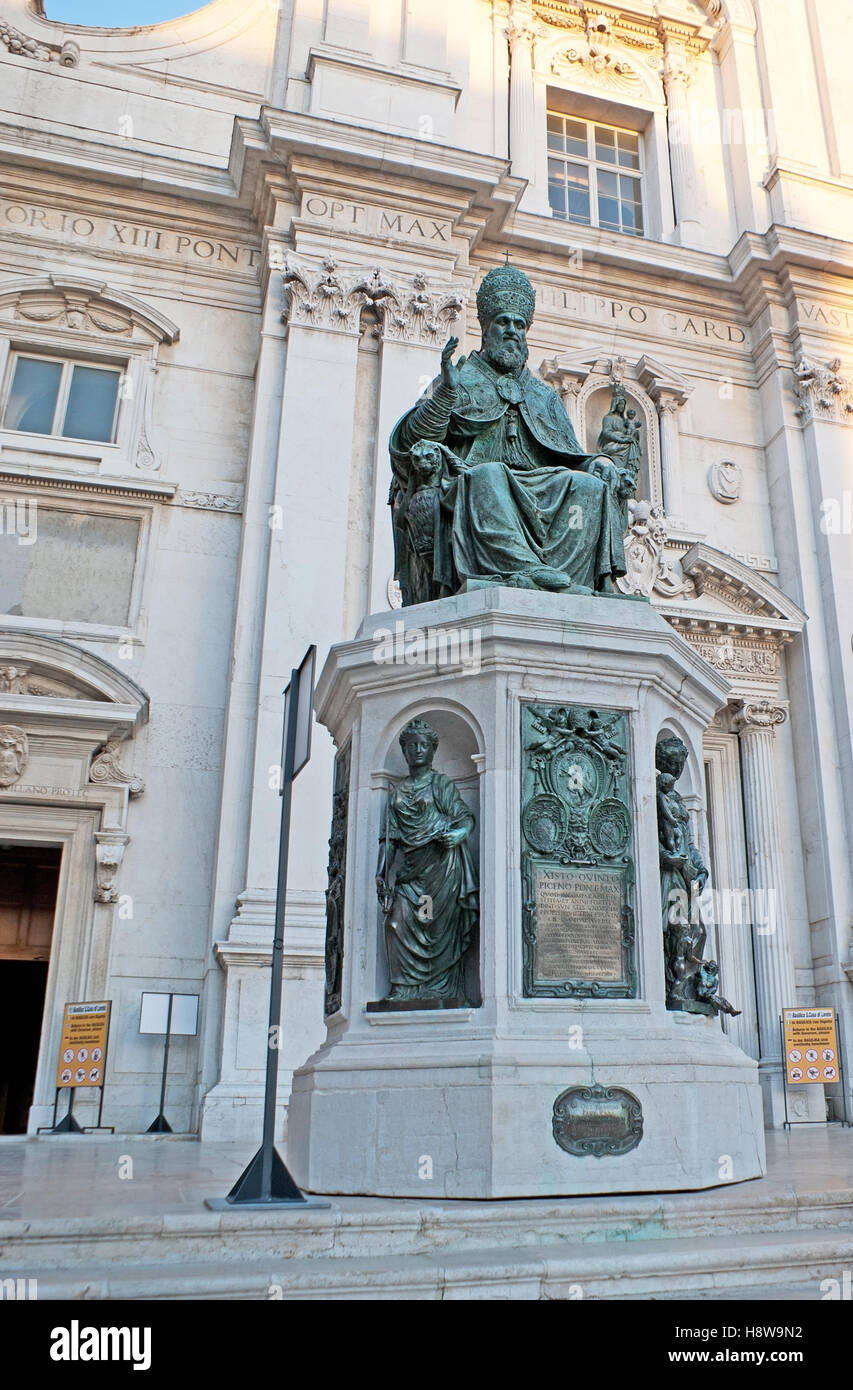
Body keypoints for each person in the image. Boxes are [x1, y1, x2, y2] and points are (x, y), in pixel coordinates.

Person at [389, 263, 631, 601]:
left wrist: (601, 463)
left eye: (519, 324)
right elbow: (410, 446)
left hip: (540, 482)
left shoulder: (543, 394)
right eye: (503, 322)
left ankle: (572, 582)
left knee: (588, 486)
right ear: (486, 329)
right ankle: (525, 571)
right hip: (473, 479)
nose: (512, 331)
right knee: (490, 477)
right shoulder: (459, 378)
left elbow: (572, 455)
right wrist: (445, 394)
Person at [375, 719, 478, 1003]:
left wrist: (459, 834)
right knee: (395, 923)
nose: (418, 750)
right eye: (411, 746)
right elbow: (389, 839)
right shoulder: (396, 792)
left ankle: (444, 990)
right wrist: (381, 873)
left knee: (439, 927)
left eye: (423, 745)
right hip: (411, 871)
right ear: (404, 751)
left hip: (444, 867)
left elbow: (465, 817)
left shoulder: (441, 784)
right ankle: (404, 989)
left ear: (432, 750)